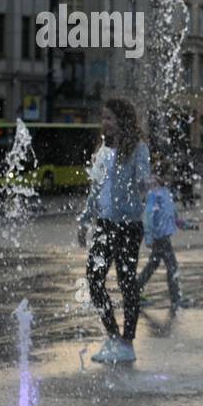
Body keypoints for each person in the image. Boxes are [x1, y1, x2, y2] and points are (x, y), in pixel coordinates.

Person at [78, 98, 151, 363]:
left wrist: (148, 188)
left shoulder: (138, 149)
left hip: (129, 226)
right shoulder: (102, 150)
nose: (104, 123)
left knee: (126, 280)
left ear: (122, 121)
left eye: (109, 118)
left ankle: (127, 342)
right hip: (105, 224)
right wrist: (85, 220)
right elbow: (95, 190)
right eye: (103, 118)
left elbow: (144, 180)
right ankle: (112, 336)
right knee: (94, 278)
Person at [138, 158, 192, 311]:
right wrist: (149, 237)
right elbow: (148, 216)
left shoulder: (166, 192)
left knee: (153, 264)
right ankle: (176, 298)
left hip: (163, 235)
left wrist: (186, 225)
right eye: (169, 174)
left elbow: (172, 215)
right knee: (172, 266)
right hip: (159, 237)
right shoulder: (154, 193)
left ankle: (134, 291)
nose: (172, 177)